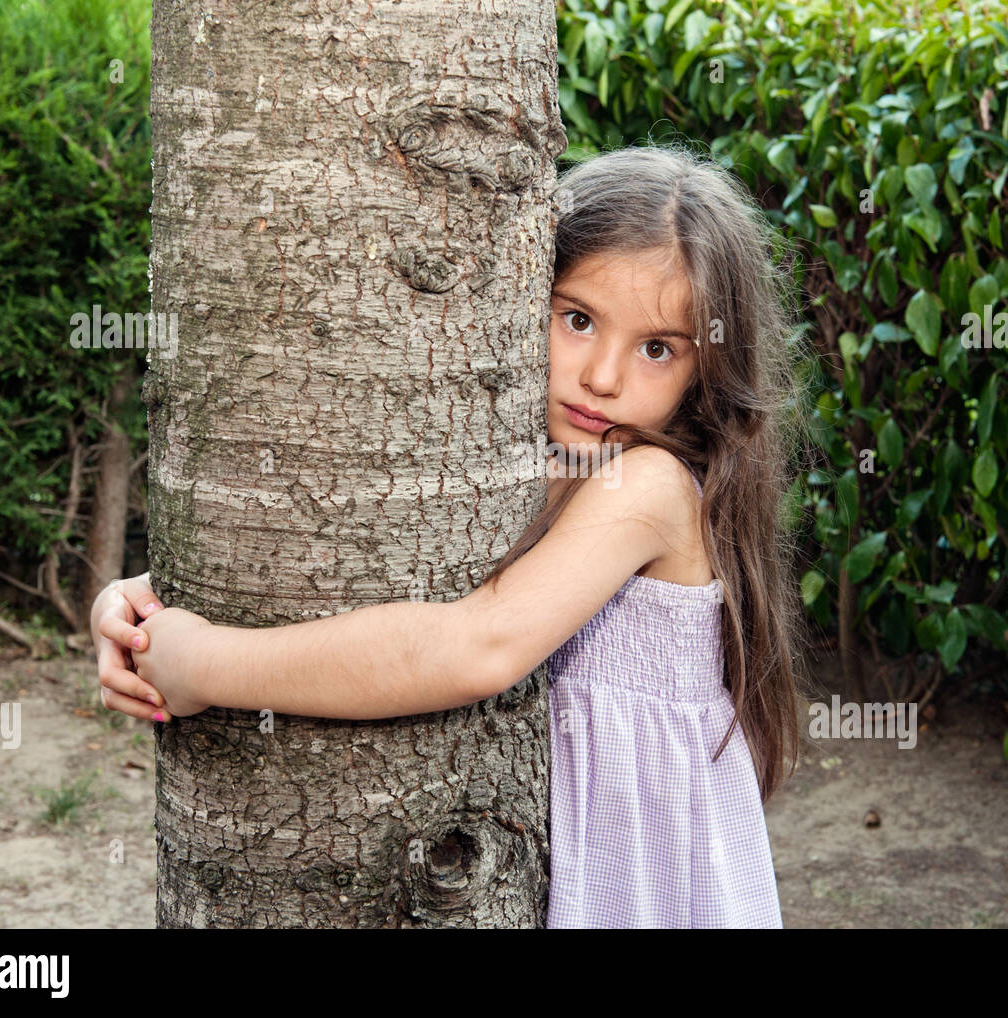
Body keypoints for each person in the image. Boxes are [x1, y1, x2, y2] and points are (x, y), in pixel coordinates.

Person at [91, 141, 814, 928]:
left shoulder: (650, 486)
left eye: (656, 348)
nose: (603, 377)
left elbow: (475, 648)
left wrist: (211, 664)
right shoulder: (540, 466)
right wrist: (148, 604)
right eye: (576, 319)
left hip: (644, 891)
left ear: (707, 368)